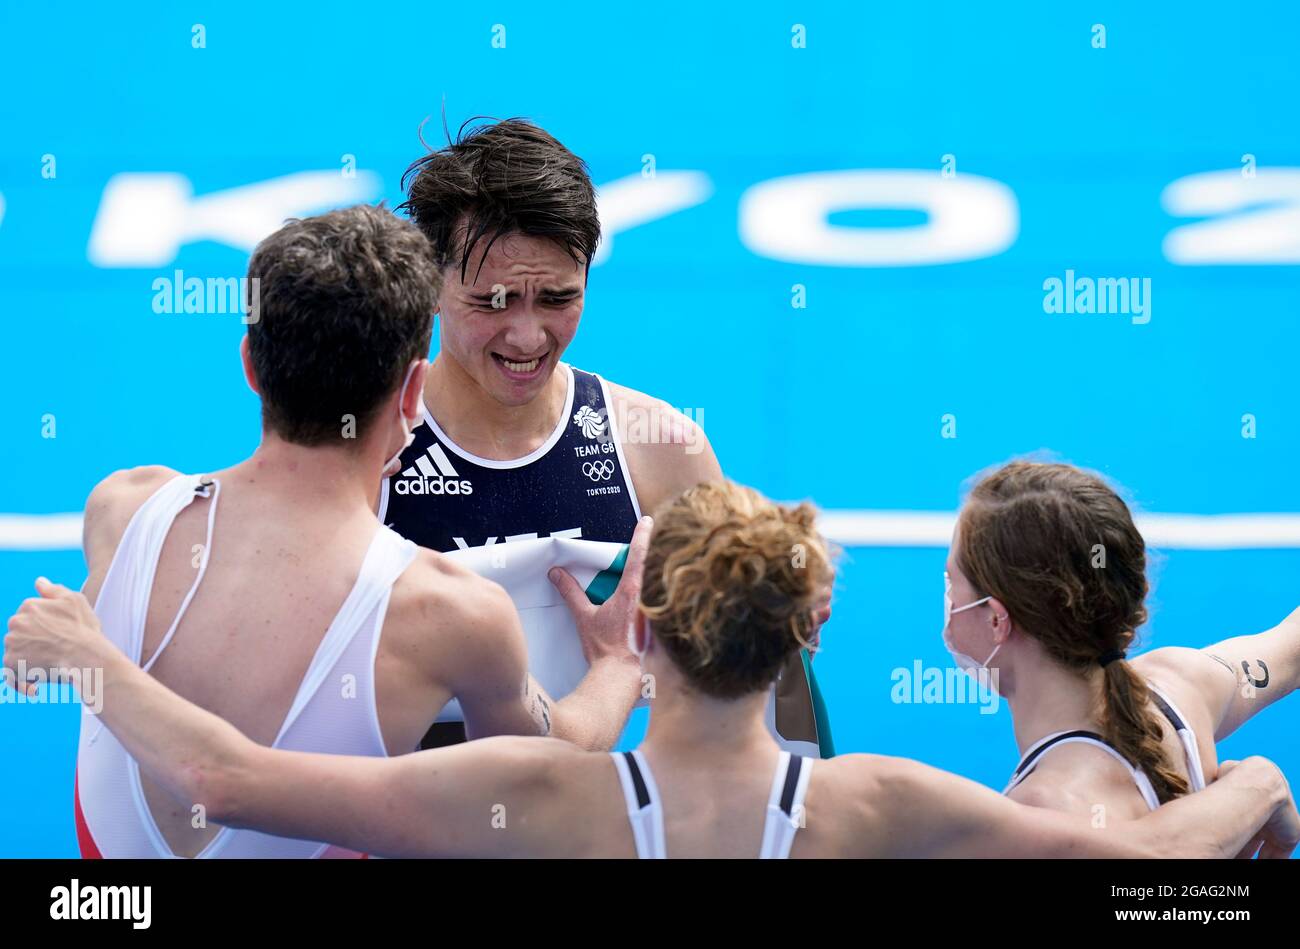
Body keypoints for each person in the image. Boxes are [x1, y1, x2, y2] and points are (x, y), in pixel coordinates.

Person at [8, 481, 1297, 858]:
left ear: (650, 628)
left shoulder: (534, 797)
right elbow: (1154, 877)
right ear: (804, 644)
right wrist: (1253, 790)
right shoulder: (883, 805)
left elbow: (224, 781)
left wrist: (84, 654)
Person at [54, 205, 645, 859]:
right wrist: (619, 664)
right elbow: (545, 770)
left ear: (251, 364)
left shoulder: (122, 511)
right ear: (413, 391)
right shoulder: (448, 612)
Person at [386, 117, 828, 754]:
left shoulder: (658, 447)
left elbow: (748, 694)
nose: (527, 337)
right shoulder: (369, 447)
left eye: (558, 298)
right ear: (429, 281)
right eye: (494, 302)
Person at [944, 460, 1299, 821]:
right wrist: (1257, 789)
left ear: (995, 620)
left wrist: (1258, 792)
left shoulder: (1043, 816)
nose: (947, 600)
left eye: (950, 580)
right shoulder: (1183, 684)